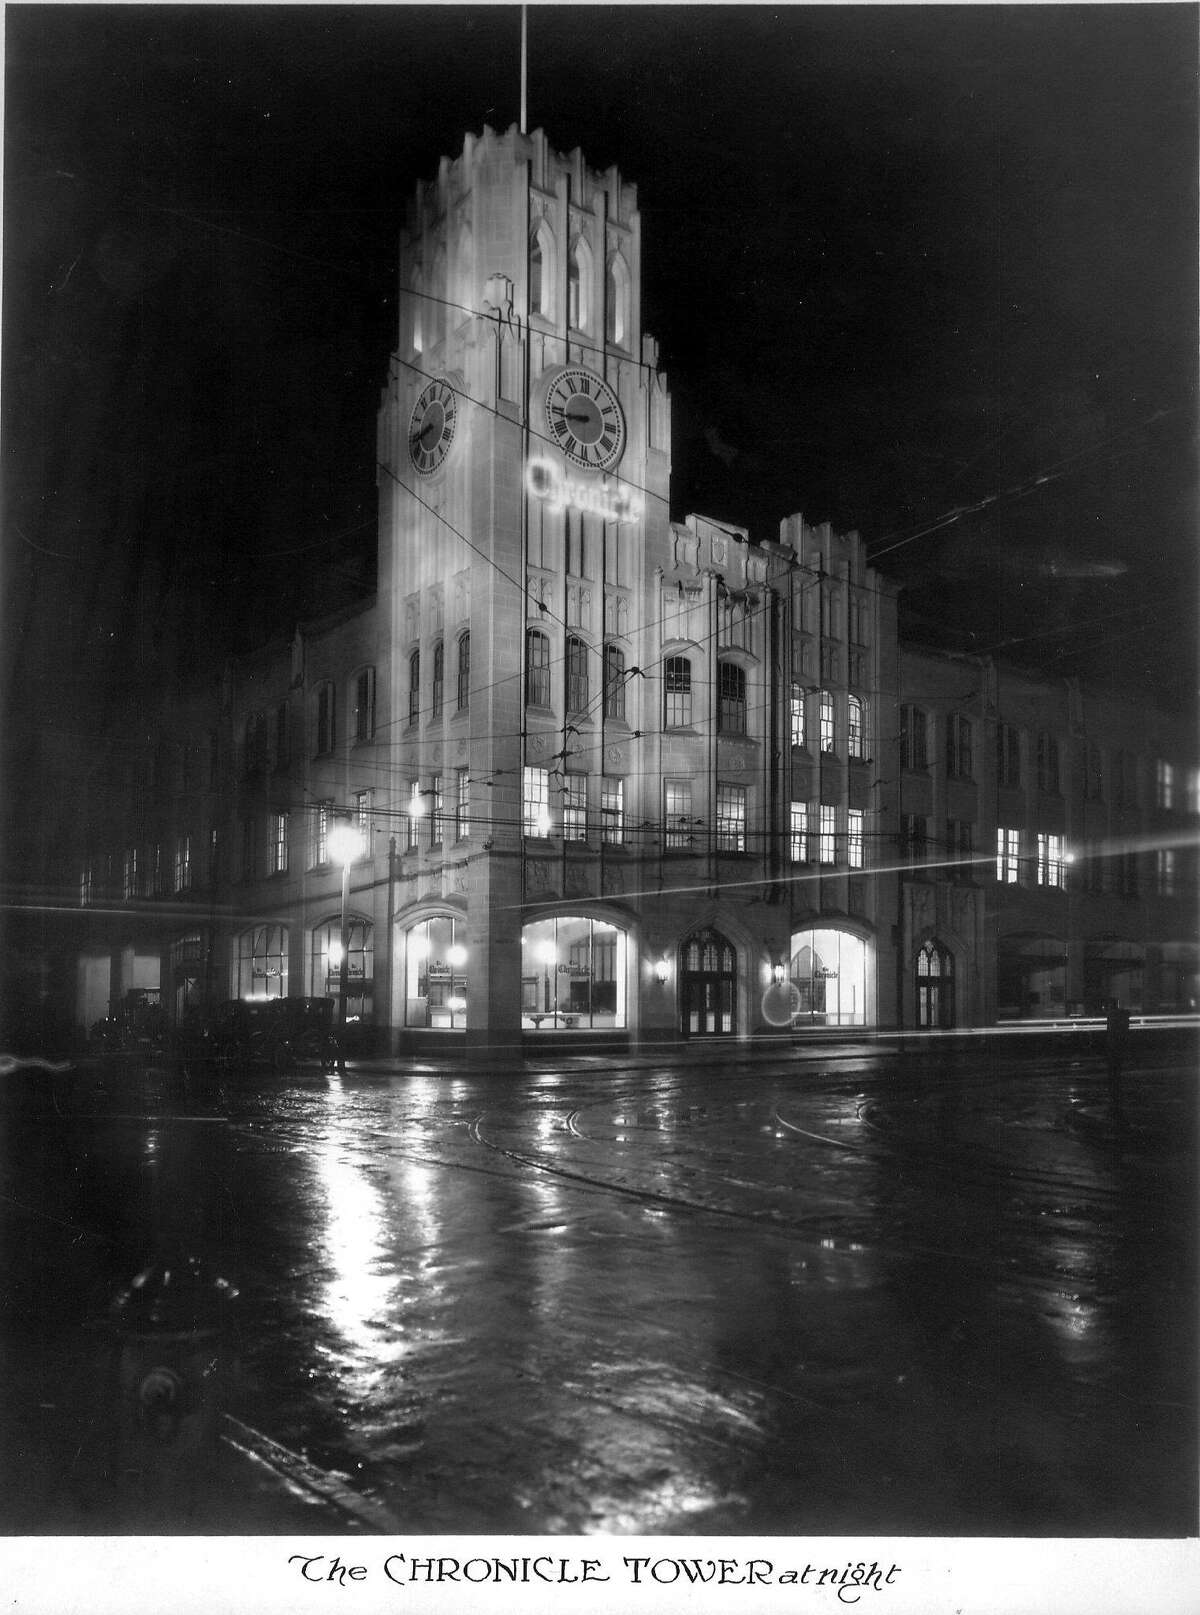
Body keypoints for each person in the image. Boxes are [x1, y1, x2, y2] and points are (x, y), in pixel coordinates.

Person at [1105, 998, 1131, 1120]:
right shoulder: (1123, 1016)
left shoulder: (1112, 1016)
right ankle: (1116, 1084)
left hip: (1113, 1044)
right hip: (1119, 1044)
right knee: (1117, 1065)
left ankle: (1114, 1086)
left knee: (1113, 1066)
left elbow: (1110, 1031)